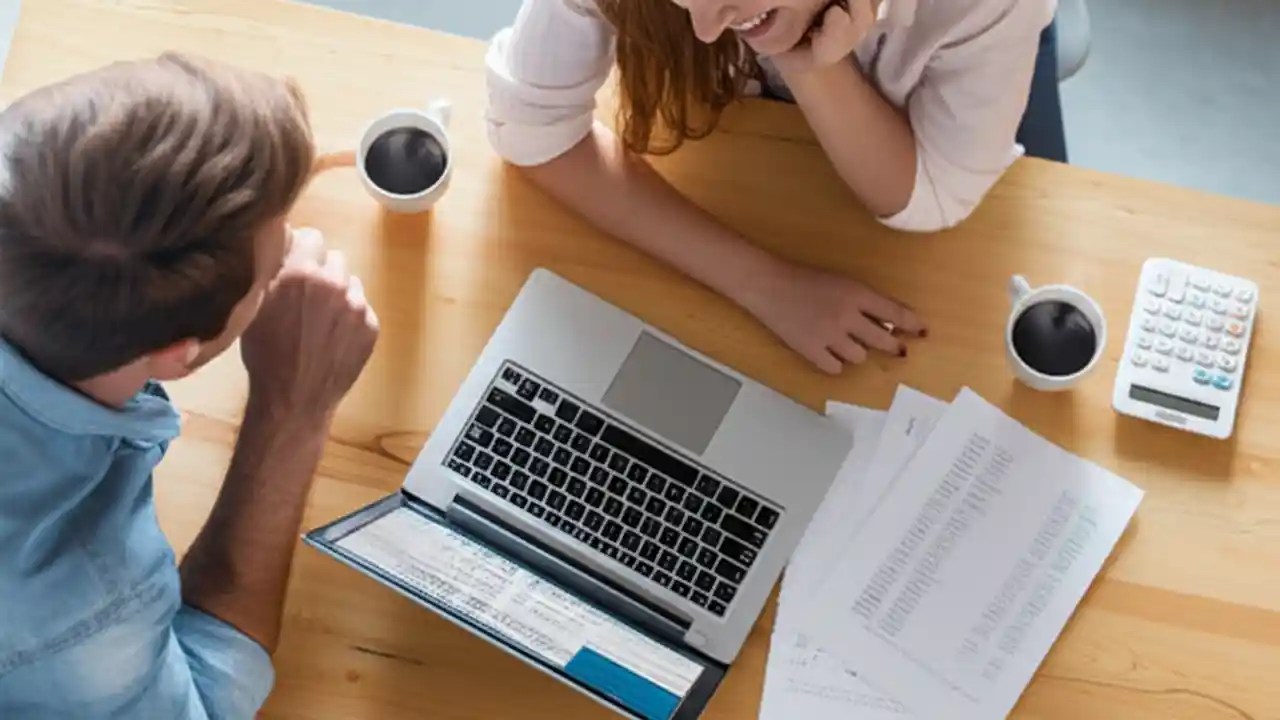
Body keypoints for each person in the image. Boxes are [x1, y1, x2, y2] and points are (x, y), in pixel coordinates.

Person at [0, 54, 379, 718]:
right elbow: (208, 698)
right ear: (179, 356)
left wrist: (229, 199)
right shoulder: (82, 614)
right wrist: (292, 410)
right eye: (271, 274)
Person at [486, 0, 1060, 374]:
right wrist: (764, 283)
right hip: (756, 154)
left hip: (940, 117)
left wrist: (807, 55)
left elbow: (932, 193)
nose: (703, 28)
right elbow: (532, 127)